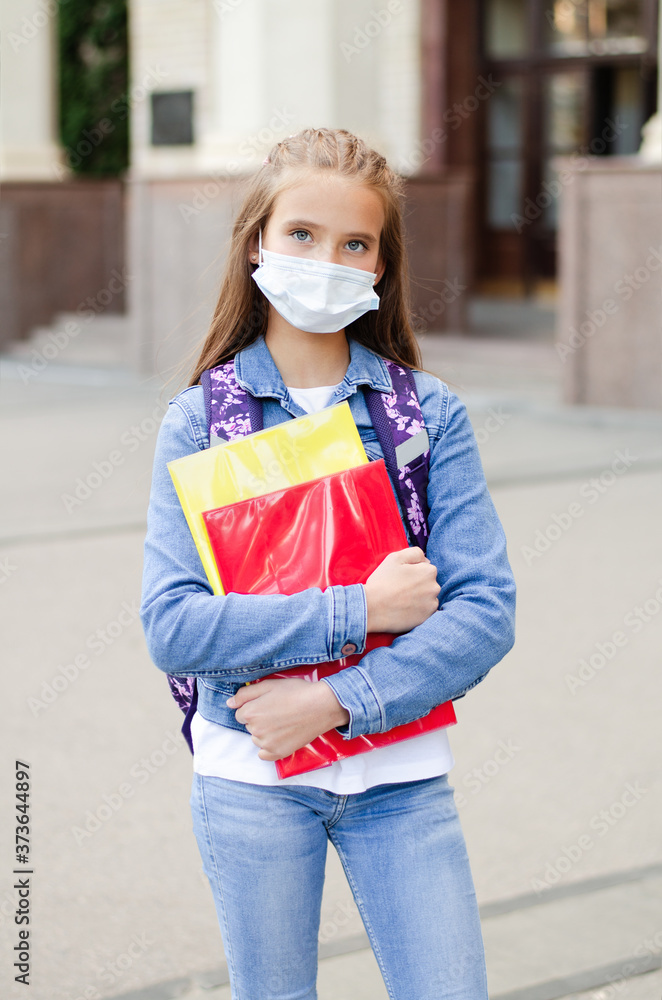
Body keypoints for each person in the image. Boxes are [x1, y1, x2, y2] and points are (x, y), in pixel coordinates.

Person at [140, 127, 516, 1000]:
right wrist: (362, 607)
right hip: (252, 779)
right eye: (301, 235)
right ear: (257, 244)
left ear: (381, 266)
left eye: (355, 243)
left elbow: (484, 612)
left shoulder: (426, 416)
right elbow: (174, 625)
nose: (326, 259)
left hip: (401, 781)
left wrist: (332, 700)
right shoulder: (202, 422)